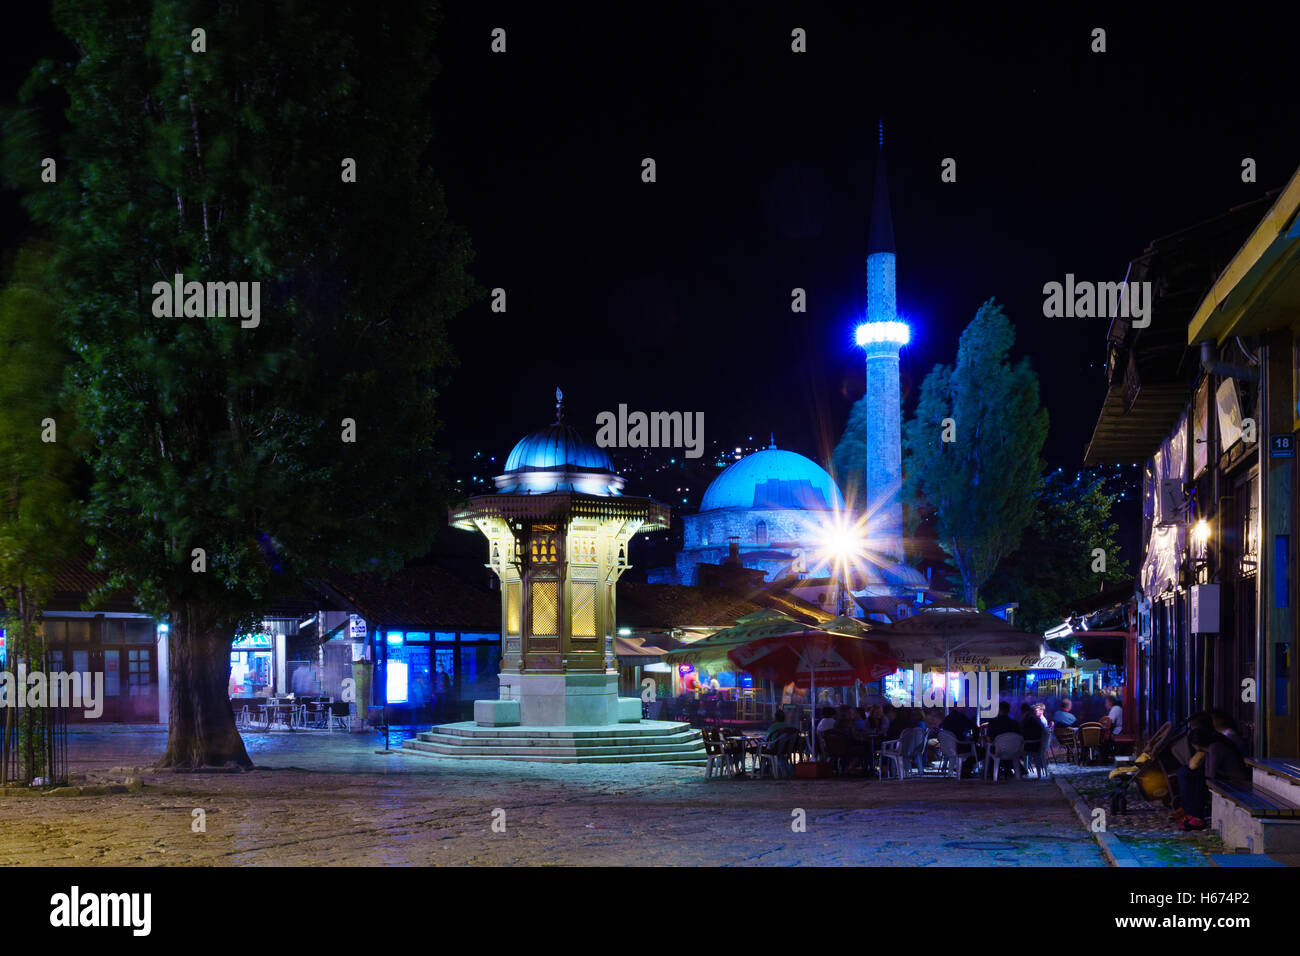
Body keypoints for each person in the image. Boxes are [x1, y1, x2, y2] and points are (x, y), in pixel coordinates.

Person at [1176, 727, 1251, 830]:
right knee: (1186, 772)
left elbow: (1210, 773)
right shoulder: (1211, 748)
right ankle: (1190, 811)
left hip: (1234, 780)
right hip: (1226, 777)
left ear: (1196, 744)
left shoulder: (1215, 748)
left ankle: (1196, 815)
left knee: (1195, 779)